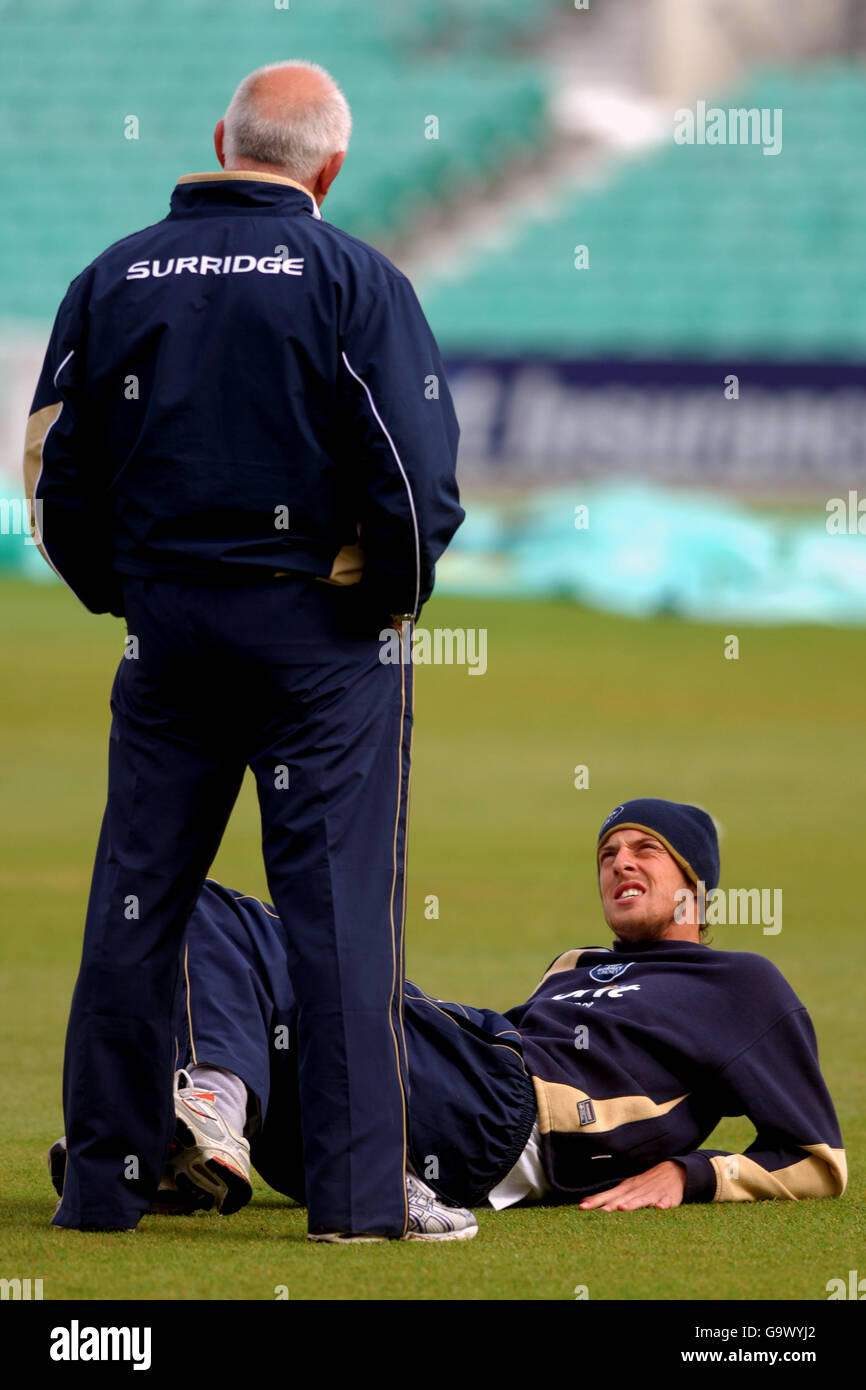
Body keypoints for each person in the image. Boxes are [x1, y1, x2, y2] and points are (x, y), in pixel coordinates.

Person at [25, 59, 464, 1241]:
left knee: (134, 905)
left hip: (165, 637)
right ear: (329, 166)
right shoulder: (354, 278)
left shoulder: (110, 275)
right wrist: (392, 598)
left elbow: (55, 479)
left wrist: (129, 593)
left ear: (221, 136)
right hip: (317, 641)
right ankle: (356, 1200)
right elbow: (416, 483)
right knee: (335, 916)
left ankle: (102, 1185)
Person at [49, 798, 847, 1219]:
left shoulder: (742, 982)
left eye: (645, 851)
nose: (620, 864)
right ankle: (173, 1149)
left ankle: (189, 1115)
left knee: (225, 917)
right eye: (607, 854)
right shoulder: (577, 964)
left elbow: (816, 1159)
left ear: (694, 884)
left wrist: (691, 1172)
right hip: (469, 1076)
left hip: (508, 1109)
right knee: (186, 913)